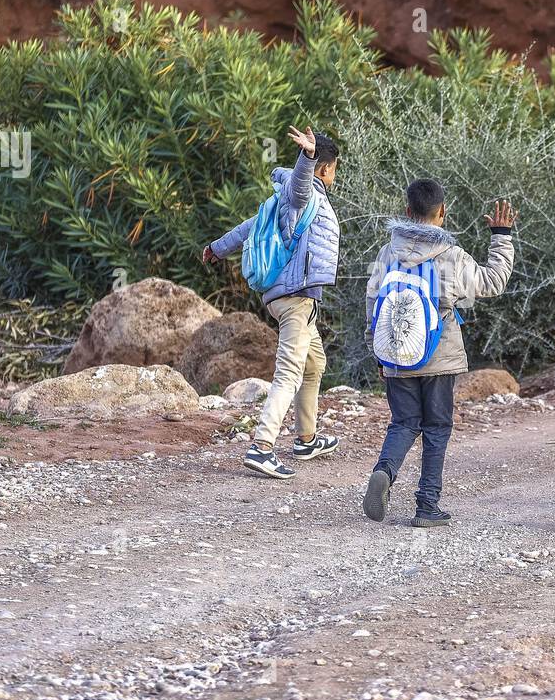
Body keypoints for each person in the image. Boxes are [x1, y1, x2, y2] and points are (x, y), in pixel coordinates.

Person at [362, 179, 516, 527]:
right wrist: (501, 236)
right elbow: (492, 282)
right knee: (437, 428)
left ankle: (384, 471)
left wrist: (376, 346)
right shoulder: (452, 256)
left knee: (403, 422)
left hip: (396, 353)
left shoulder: (388, 253)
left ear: (406, 212)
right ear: (442, 213)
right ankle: (426, 505)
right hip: (439, 356)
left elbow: (372, 300)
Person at [203, 126, 341, 479]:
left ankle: (306, 439)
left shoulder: (279, 200)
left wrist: (217, 249)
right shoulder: (304, 195)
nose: (335, 174)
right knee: (289, 373)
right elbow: (300, 187)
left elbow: (247, 228)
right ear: (327, 168)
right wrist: (307, 157)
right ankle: (262, 447)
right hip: (295, 298)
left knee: (313, 364)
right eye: (334, 168)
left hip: (295, 300)